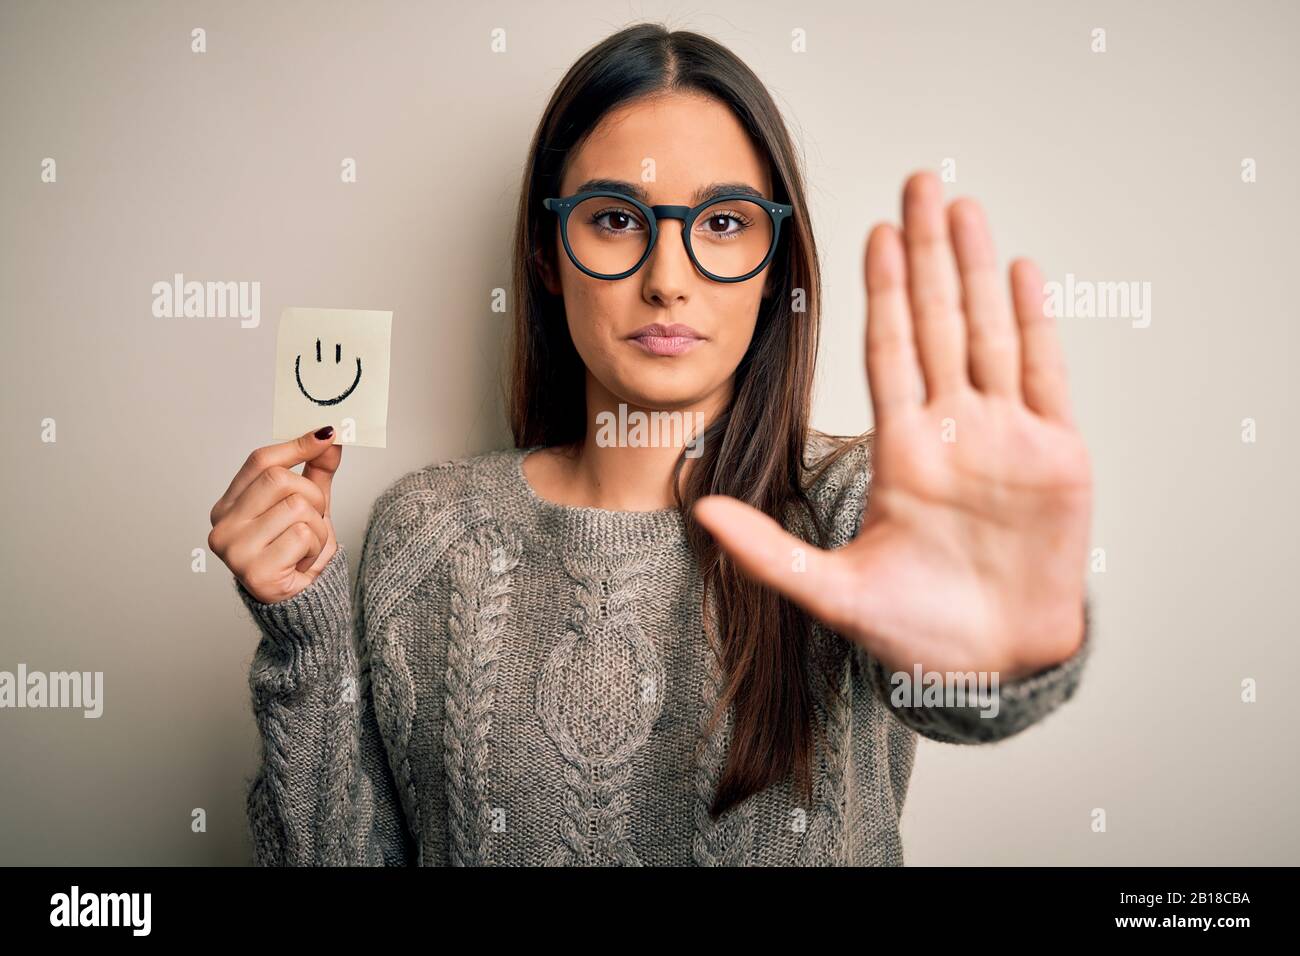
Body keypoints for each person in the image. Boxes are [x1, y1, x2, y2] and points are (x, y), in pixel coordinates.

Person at [208, 22, 1092, 866]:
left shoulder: (857, 505)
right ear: (550, 253)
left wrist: (1000, 651)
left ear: (777, 263)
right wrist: (305, 642)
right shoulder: (429, 528)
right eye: (617, 219)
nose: (668, 280)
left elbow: (968, 693)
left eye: (723, 223)